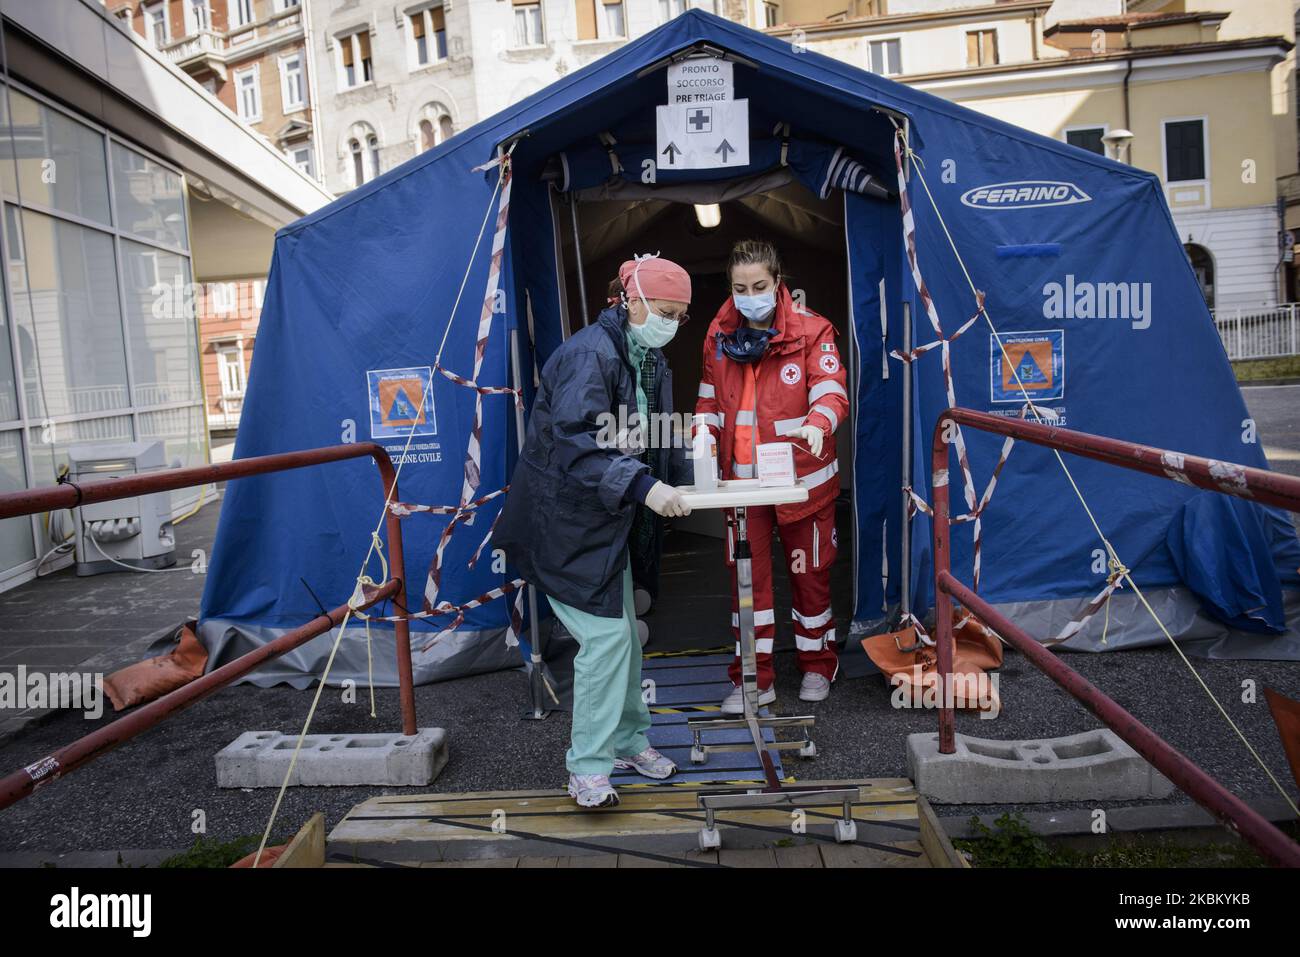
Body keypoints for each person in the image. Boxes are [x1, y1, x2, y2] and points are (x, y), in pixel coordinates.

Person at [495, 253, 695, 809]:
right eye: (667, 311)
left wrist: (686, 474)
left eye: (682, 316)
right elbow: (578, 442)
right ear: (633, 300)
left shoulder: (644, 355)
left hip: (606, 523)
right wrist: (645, 487)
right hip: (564, 524)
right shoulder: (591, 354)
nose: (673, 324)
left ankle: (630, 741)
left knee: (625, 636)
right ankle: (586, 768)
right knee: (606, 641)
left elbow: (652, 430)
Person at [695, 240, 849, 714]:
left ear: (778, 281)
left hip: (803, 483)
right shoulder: (719, 334)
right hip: (741, 488)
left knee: (811, 581)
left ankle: (818, 665)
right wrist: (701, 435)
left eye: (759, 286)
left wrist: (820, 422)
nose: (750, 295)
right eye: (740, 288)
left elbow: (831, 391)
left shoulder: (812, 329)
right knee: (749, 587)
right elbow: (707, 399)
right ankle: (752, 680)